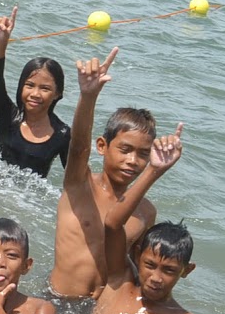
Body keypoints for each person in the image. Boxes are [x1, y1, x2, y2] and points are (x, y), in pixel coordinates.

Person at [49, 47, 159, 299]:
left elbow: (137, 266)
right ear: (102, 146)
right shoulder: (79, 185)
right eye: (125, 149)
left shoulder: (145, 212)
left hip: (100, 308)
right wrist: (88, 96)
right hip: (58, 298)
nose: (132, 161)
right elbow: (77, 148)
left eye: (143, 154)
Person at [92, 124, 201, 314]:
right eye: (150, 265)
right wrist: (154, 170)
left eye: (169, 270)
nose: (156, 278)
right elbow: (112, 224)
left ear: (186, 271)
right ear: (138, 255)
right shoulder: (119, 281)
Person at [0, 6, 71, 177]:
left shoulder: (62, 134)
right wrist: (2, 42)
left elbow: (75, 176)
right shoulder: (8, 117)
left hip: (29, 201)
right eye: (30, 85)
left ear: (57, 94)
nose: (35, 94)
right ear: (21, 88)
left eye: (45, 88)